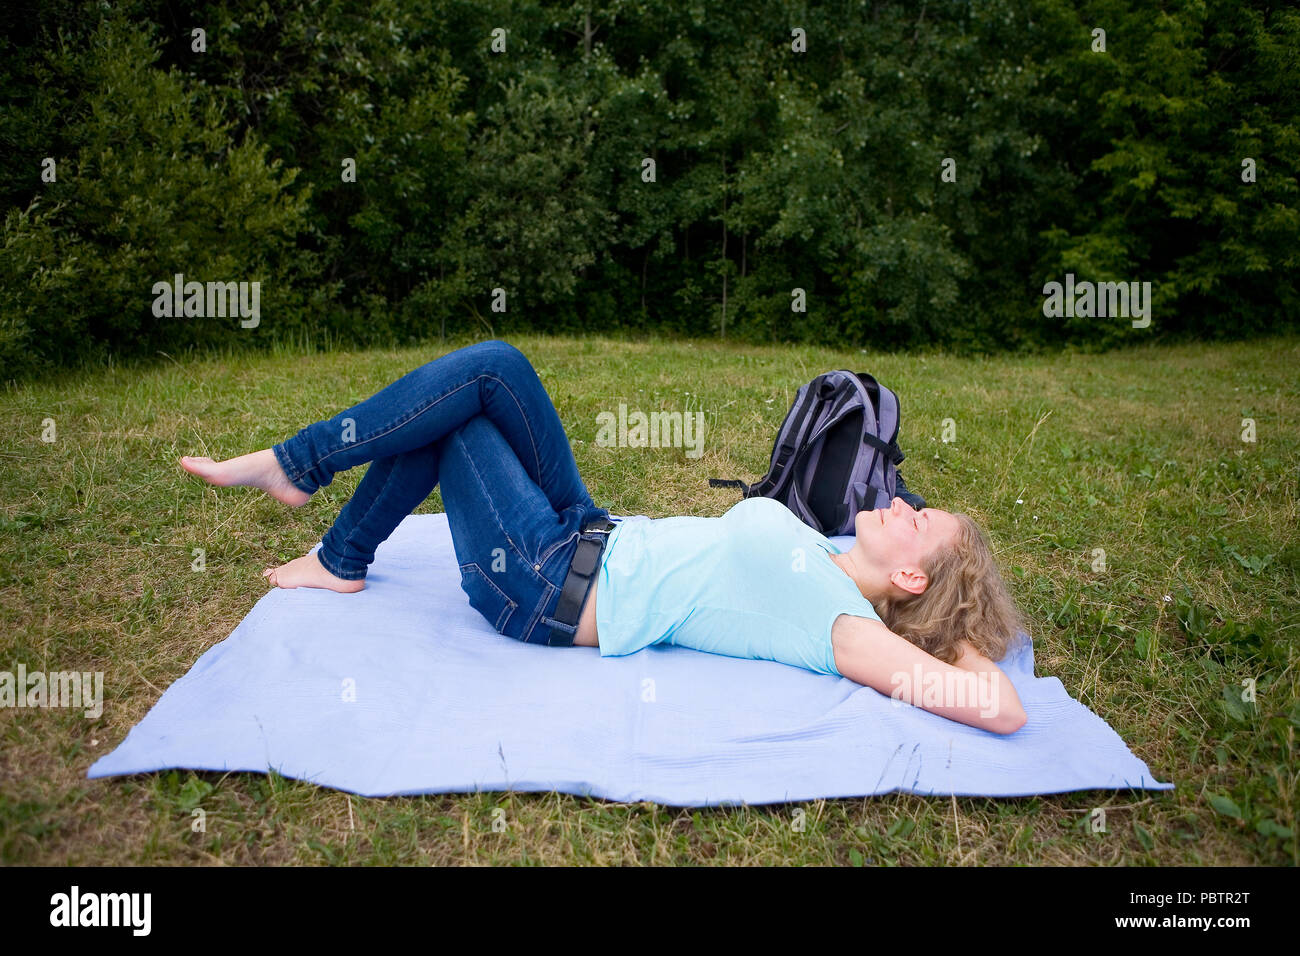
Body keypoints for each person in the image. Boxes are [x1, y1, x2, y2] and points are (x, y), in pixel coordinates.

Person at [181, 339, 1027, 734]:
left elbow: (999, 707)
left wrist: (953, 639)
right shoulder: (828, 550)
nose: (909, 504)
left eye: (923, 524)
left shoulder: (845, 627)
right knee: (497, 368)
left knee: (463, 420)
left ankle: (306, 488)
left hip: (545, 586)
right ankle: (329, 537)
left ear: (913, 582)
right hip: (589, 532)